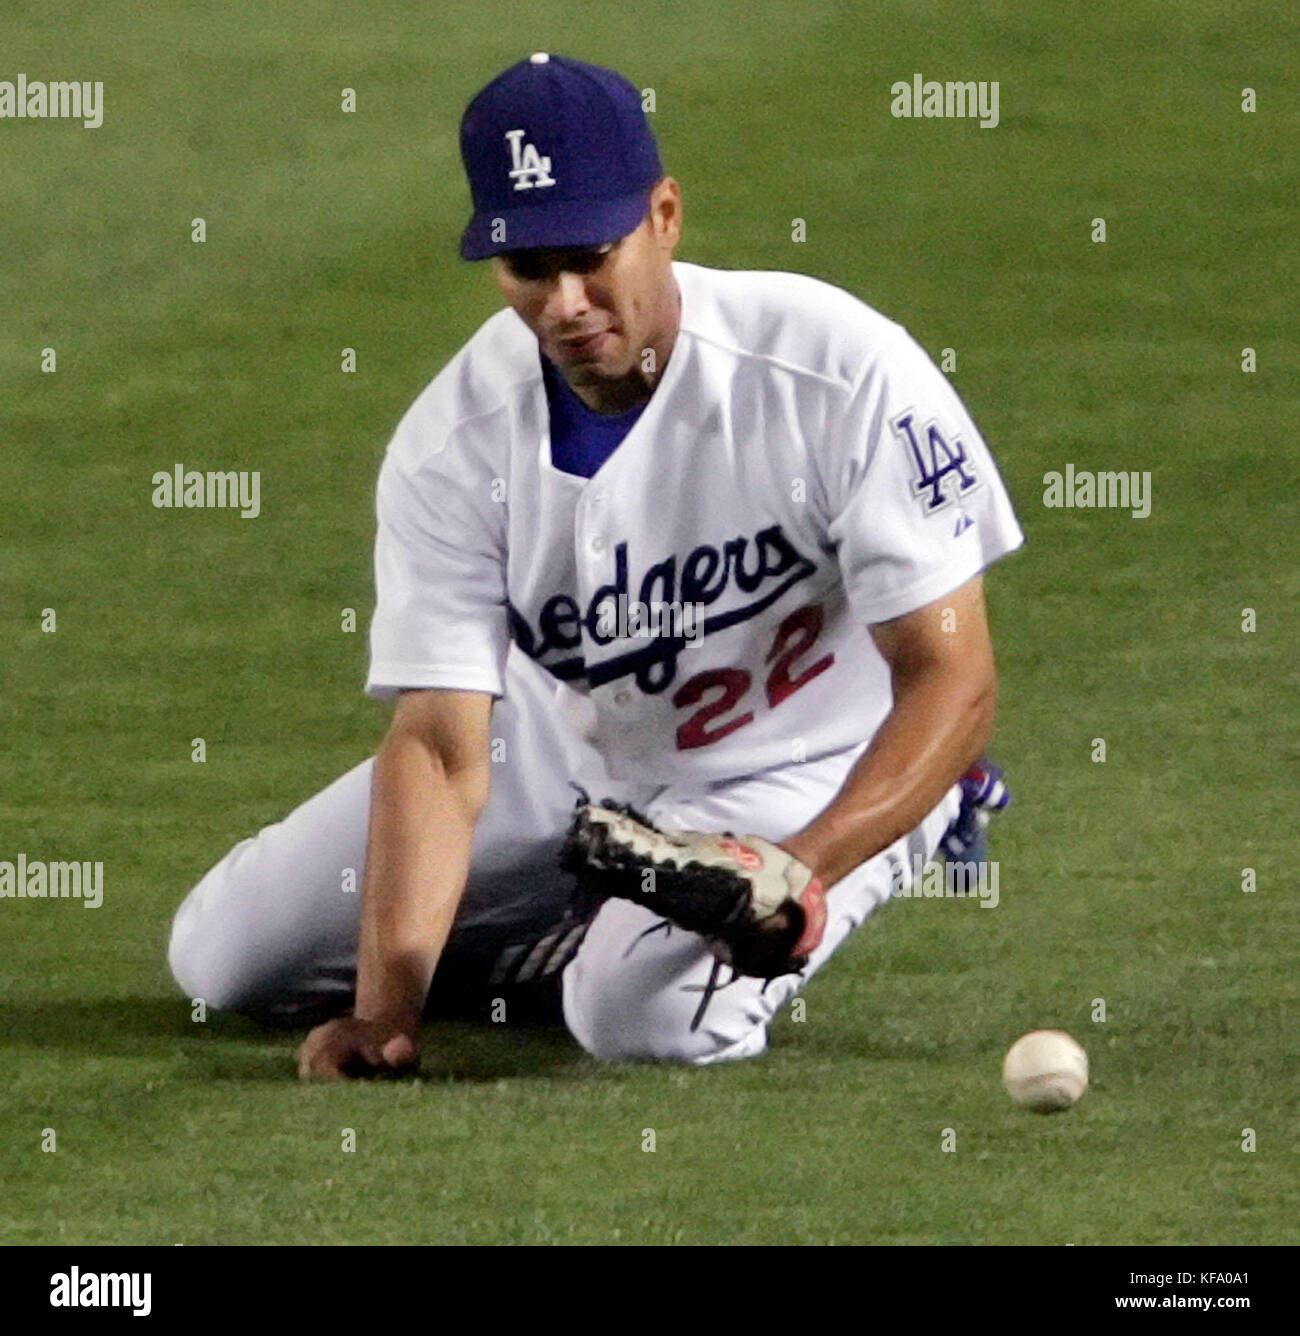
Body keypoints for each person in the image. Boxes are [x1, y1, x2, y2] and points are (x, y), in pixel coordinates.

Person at [167, 52, 1023, 1080]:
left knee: (636, 1022)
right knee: (224, 957)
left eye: (588, 254)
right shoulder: (457, 440)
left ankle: (938, 809)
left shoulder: (835, 372)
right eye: (530, 267)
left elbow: (952, 679)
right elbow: (441, 747)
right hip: (568, 754)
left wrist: (799, 866)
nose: (565, 301)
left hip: (802, 763)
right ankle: (578, 929)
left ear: (663, 216)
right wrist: (386, 1010)